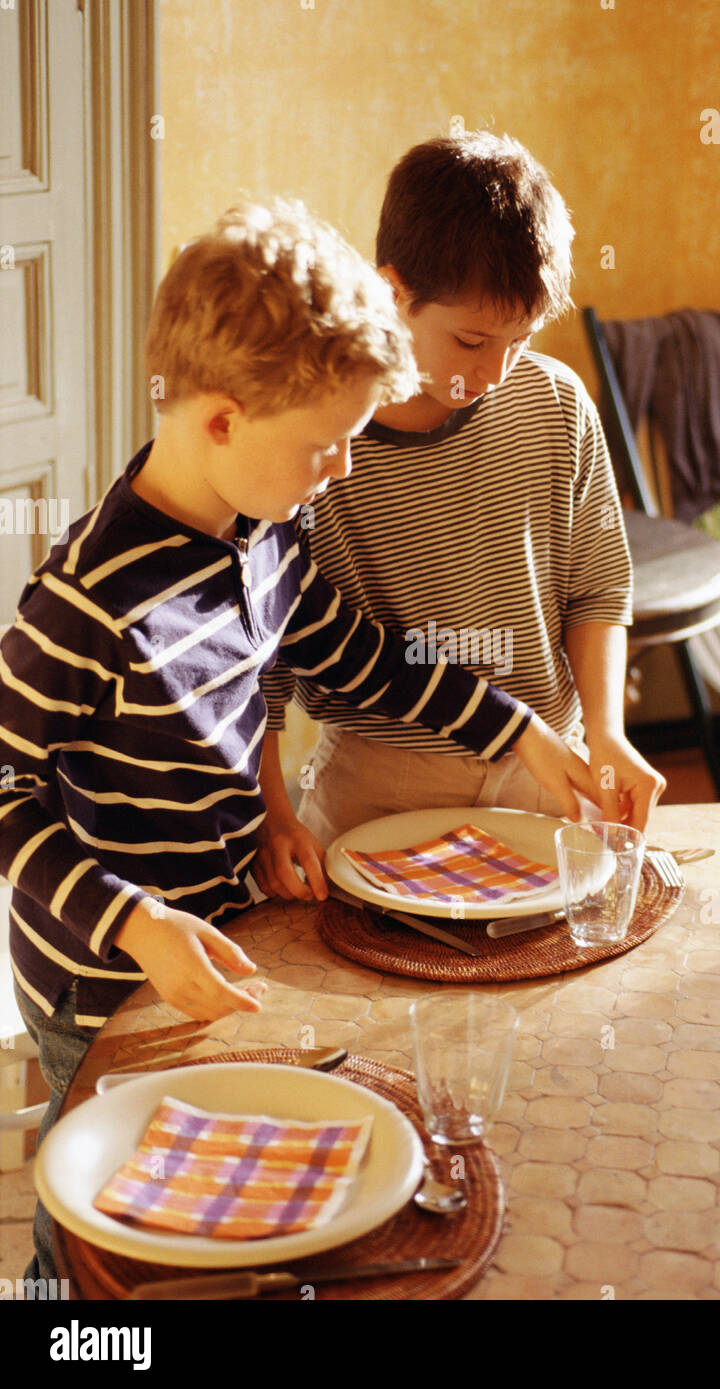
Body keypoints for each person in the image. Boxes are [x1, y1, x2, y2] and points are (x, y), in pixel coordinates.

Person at [0, 198, 595, 1280]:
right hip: (103, 971)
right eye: (324, 447)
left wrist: (517, 730)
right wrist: (136, 927)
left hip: (226, 918)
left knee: (203, 1175)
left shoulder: (261, 532)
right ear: (222, 419)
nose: (343, 472)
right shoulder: (86, 603)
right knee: (99, 1217)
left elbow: (359, 657)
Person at [254, 133, 666, 905]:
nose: (494, 372)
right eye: (471, 340)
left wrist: (606, 731)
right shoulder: (318, 441)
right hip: (378, 780)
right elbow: (267, 654)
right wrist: (272, 809)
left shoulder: (552, 403)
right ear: (389, 291)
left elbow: (598, 586)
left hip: (548, 770)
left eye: (520, 340)